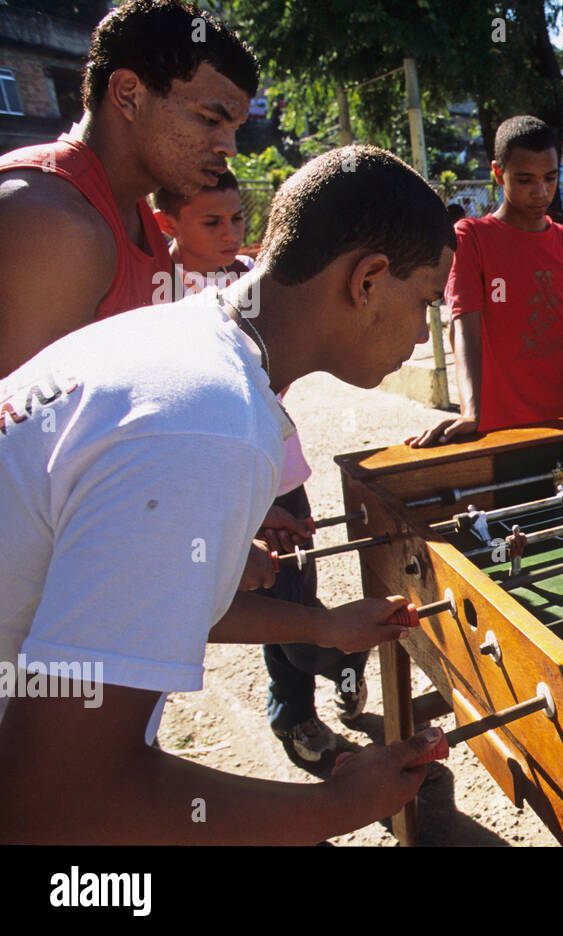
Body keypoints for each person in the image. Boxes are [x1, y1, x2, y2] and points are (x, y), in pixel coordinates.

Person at [0, 145, 455, 844]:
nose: (424, 330)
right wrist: (340, 807)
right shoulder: (209, 427)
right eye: (425, 300)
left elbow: (106, 607)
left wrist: (322, 627)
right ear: (367, 280)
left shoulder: (185, 344)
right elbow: (56, 799)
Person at [156, 172, 357, 762]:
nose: (231, 234)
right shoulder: (154, 295)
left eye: (237, 219)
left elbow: (280, 366)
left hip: (275, 470)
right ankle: (311, 696)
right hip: (211, 478)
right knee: (257, 611)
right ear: (168, 223)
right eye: (211, 222)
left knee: (292, 602)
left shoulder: (252, 279)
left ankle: (327, 679)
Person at [0, 0, 258, 376]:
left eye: (234, 129)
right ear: (128, 94)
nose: (228, 148)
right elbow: (26, 431)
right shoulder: (49, 221)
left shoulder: (140, 220)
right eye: (209, 119)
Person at [406, 116, 563, 445]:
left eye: (550, 178)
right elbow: (464, 329)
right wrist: (471, 410)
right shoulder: (471, 238)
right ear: (498, 173)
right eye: (525, 180)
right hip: (499, 424)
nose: (541, 192)